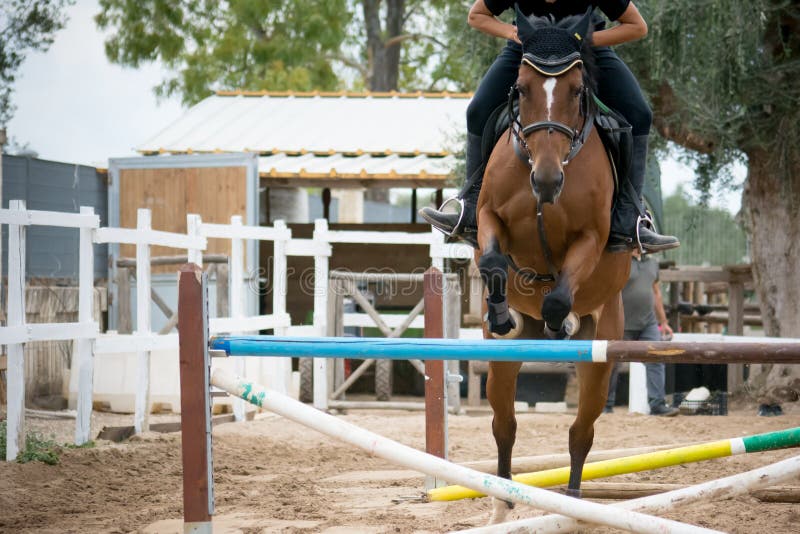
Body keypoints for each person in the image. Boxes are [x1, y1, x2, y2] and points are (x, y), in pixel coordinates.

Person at [420, 0, 679, 253]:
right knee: (477, 110)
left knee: (640, 113)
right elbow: (476, 16)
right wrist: (512, 33)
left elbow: (637, 26)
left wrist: (584, 41)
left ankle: (629, 216)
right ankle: (469, 207)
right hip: (528, 52)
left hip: (585, 52)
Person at [605, 249, 679, 416]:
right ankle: (605, 406)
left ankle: (657, 405)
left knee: (657, 358)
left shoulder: (653, 264)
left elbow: (656, 293)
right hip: (621, 323)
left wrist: (664, 322)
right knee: (611, 364)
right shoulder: (619, 261)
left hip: (649, 323)